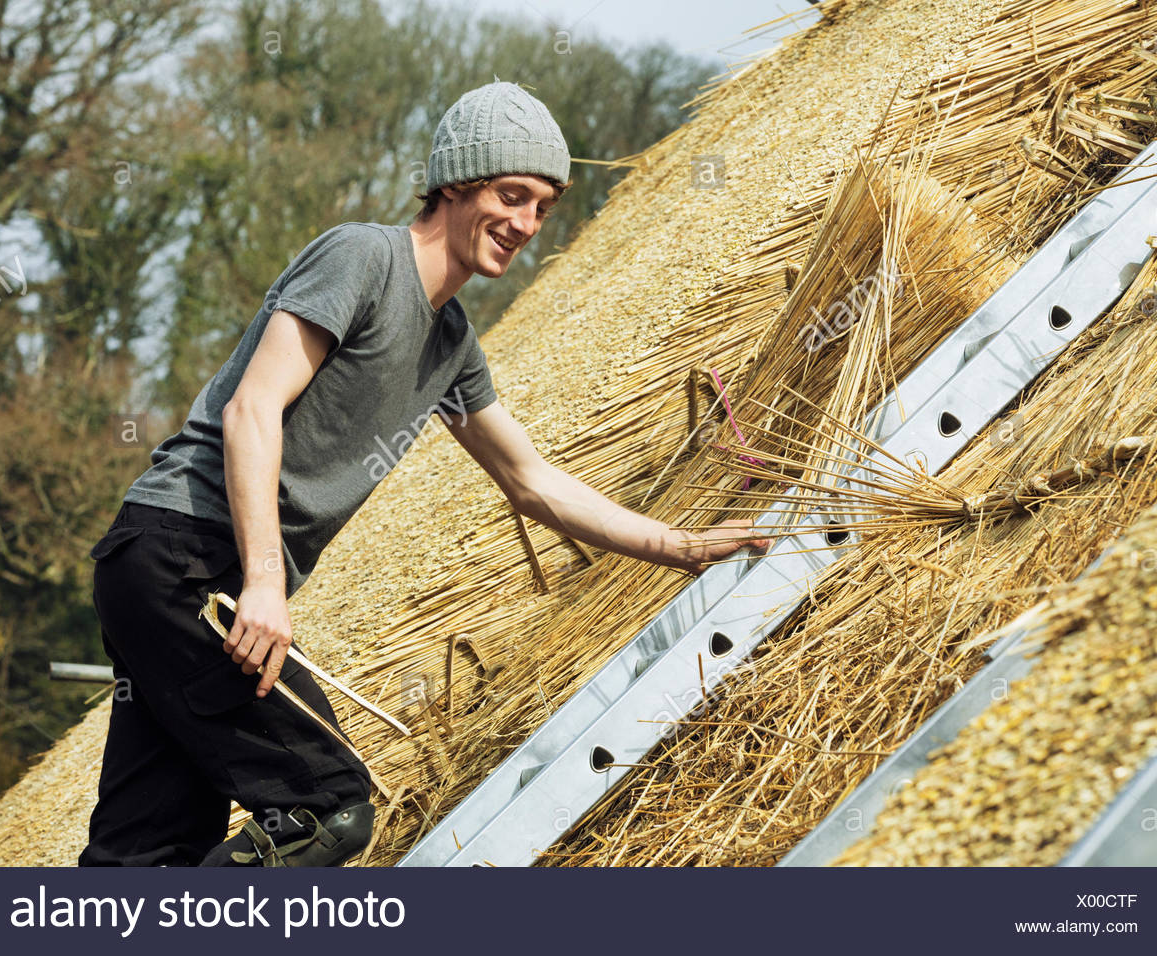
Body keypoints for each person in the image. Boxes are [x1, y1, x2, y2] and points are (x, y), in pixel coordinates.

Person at [78, 81, 771, 868]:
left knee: (146, 850)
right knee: (325, 807)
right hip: (181, 557)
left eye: (543, 207)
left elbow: (532, 483)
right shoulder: (362, 259)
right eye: (512, 195)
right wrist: (266, 584)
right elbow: (250, 412)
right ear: (457, 183)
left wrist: (679, 546)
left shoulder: (451, 345)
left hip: (185, 572)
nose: (526, 224)